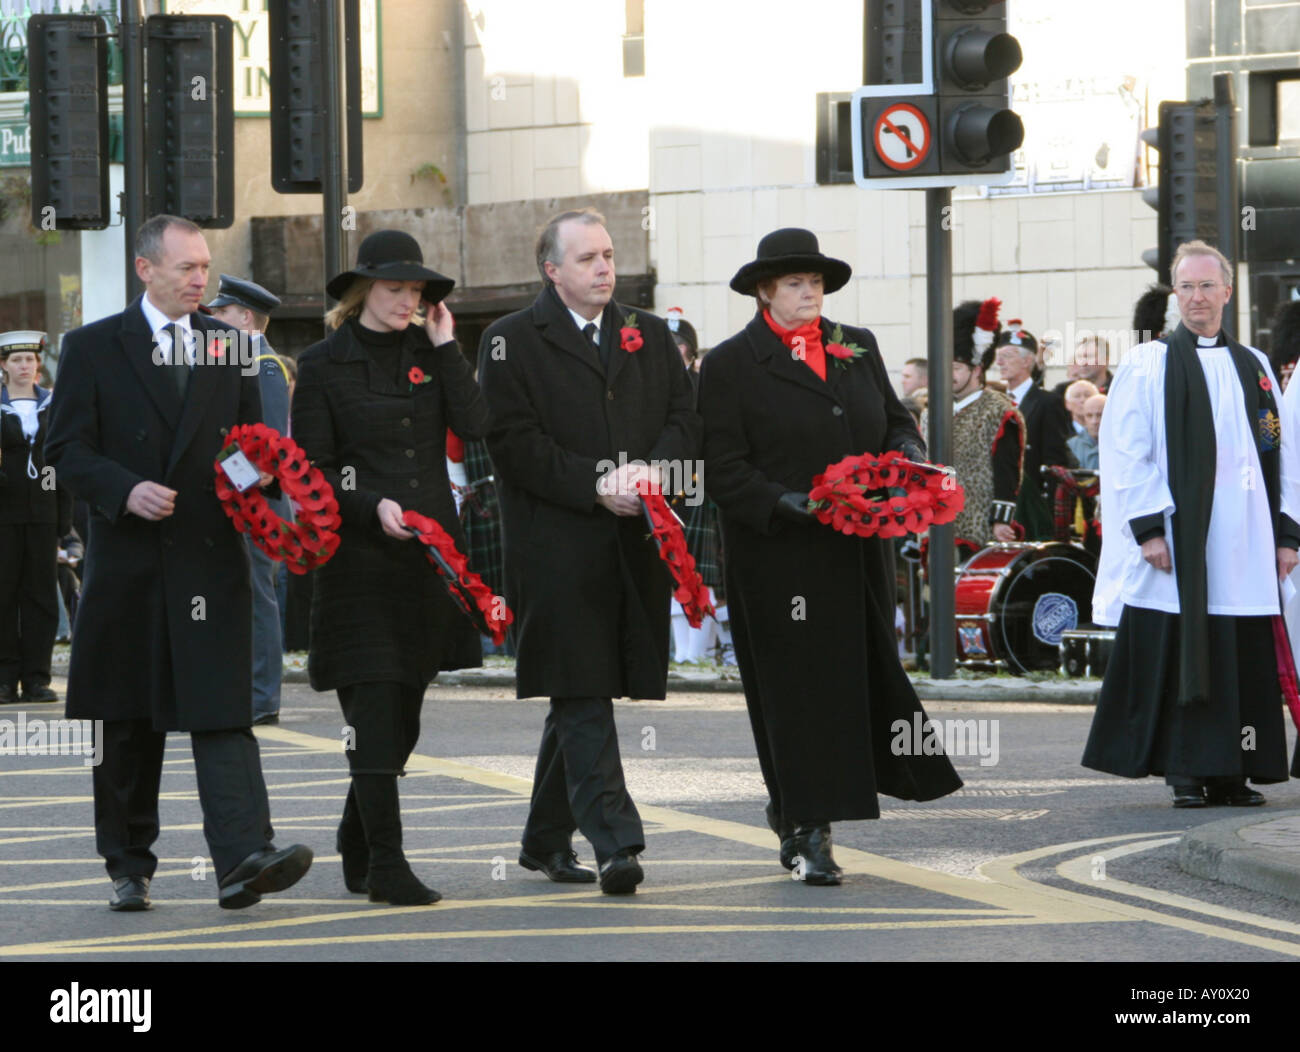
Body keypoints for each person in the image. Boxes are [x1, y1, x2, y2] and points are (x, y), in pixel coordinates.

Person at [44, 214, 312, 911]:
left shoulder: (229, 346)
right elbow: (65, 449)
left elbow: (249, 444)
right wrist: (123, 490)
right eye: (186, 267)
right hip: (130, 564)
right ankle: (128, 866)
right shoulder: (94, 347)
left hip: (209, 559)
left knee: (223, 712)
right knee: (126, 722)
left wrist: (262, 476)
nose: (201, 279)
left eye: (205, 268)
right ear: (145, 269)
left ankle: (244, 856)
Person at [699, 227, 962, 886]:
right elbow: (722, 468)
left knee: (856, 681)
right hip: (779, 558)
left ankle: (797, 801)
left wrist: (904, 454)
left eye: (815, 281)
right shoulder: (731, 364)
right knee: (799, 693)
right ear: (765, 291)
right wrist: (788, 503)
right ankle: (810, 826)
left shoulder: (856, 346)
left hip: (856, 551)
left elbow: (896, 421)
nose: (809, 291)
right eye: (794, 282)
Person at [478, 208, 700, 895]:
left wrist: (651, 476)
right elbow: (513, 442)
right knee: (582, 687)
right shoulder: (509, 339)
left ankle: (545, 840)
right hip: (557, 547)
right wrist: (595, 484)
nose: (605, 268)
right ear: (552, 270)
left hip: (633, 539)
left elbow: (683, 418)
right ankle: (616, 843)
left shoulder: (651, 333)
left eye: (608, 255)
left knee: (583, 688)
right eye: (587, 259)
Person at [292, 229, 488, 906]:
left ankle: (356, 835)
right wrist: (369, 503)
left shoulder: (430, 355)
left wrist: (446, 346)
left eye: (417, 291)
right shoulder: (321, 363)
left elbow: (477, 422)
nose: (408, 300)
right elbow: (310, 468)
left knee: (403, 714)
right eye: (395, 287)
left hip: (429, 560)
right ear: (362, 290)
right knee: (373, 708)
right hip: (357, 560)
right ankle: (388, 864)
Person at [1083, 240, 1300, 807]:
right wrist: (1150, 527)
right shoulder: (1149, 363)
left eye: (1207, 286)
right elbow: (1127, 451)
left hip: (1246, 544)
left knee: (1239, 657)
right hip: (1181, 540)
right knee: (1186, 653)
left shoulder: (1252, 366)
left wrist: (1286, 534)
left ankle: (1232, 771)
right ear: (1174, 294)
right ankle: (1185, 772)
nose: (1197, 298)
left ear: (1228, 292)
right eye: (1186, 287)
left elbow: (1282, 453)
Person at [206, 274, 289, 726]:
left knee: (258, 597)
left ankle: (262, 698)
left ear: (246, 318)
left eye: (221, 313)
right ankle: (242, 690)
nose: (214, 320)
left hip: (257, 502)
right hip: (239, 501)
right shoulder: (237, 361)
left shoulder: (265, 365)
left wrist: (229, 476)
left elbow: (269, 452)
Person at [920, 299, 1022, 559]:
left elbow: (1007, 468)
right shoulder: (931, 411)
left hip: (979, 522)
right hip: (935, 522)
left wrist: (1001, 519)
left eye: (955, 368)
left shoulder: (998, 410)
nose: (948, 374)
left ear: (976, 369)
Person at [0, 331, 70, 704]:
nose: (24, 367)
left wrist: (63, 523)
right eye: (16, 361)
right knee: (4, 595)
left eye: (29, 360)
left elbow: (61, 464)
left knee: (41, 596)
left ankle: (37, 678)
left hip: (43, 511)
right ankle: (5, 679)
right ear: (3, 366)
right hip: (4, 514)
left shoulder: (53, 404)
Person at [995, 323, 1071, 540]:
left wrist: (1047, 512)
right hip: (1002, 503)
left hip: (1031, 503)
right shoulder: (995, 403)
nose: (999, 362)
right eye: (998, 356)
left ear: (1027, 361)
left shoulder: (1048, 402)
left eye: (1007, 356)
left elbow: (1055, 463)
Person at [1067, 393, 1105, 470]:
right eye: (1089, 415)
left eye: (1100, 415)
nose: (1094, 421)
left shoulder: (1121, 443)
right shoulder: (1072, 445)